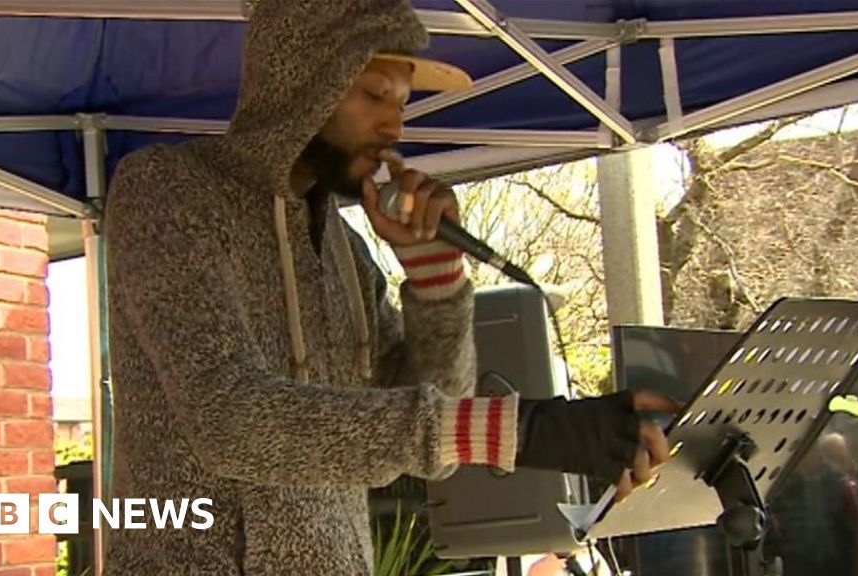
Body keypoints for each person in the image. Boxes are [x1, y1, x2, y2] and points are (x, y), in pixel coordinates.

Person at [102, 1, 677, 574]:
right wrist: (522, 432)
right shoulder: (167, 190)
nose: (395, 126)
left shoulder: (344, 249)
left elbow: (435, 419)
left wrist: (436, 281)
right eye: (375, 94)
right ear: (299, 82)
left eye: (402, 103)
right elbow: (226, 419)